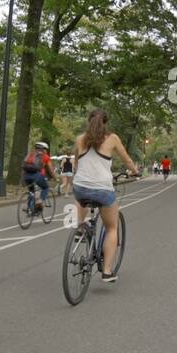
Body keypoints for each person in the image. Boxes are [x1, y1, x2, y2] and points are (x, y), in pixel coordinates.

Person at [73, 109, 140, 282]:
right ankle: (107, 271)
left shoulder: (80, 139)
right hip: (103, 188)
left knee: (81, 193)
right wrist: (135, 171)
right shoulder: (112, 138)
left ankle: (81, 227)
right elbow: (126, 160)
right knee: (111, 228)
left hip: (80, 187)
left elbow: (76, 164)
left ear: (89, 122)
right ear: (105, 122)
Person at [22, 142, 56, 213]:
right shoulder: (45, 156)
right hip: (37, 176)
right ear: (44, 149)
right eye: (46, 149)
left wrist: (23, 178)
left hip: (27, 176)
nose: (46, 151)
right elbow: (51, 170)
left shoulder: (30, 155)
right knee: (45, 187)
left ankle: (30, 208)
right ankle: (40, 201)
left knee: (32, 191)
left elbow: (24, 166)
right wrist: (54, 177)